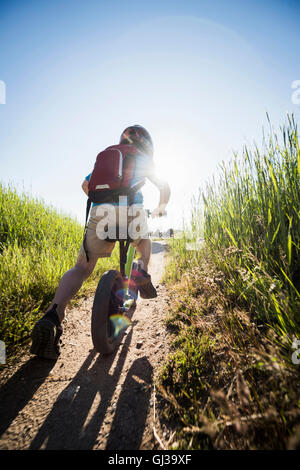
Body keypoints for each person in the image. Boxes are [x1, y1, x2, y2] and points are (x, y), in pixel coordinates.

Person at [30, 125, 171, 360]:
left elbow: (86, 185)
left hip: (100, 213)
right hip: (131, 210)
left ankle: (53, 315)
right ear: (148, 146)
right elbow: (164, 186)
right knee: (143, 243)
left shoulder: (109, 156)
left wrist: (104, 202)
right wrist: (161, 207)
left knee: (82, 267)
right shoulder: (143, 158)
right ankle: (140, 270)